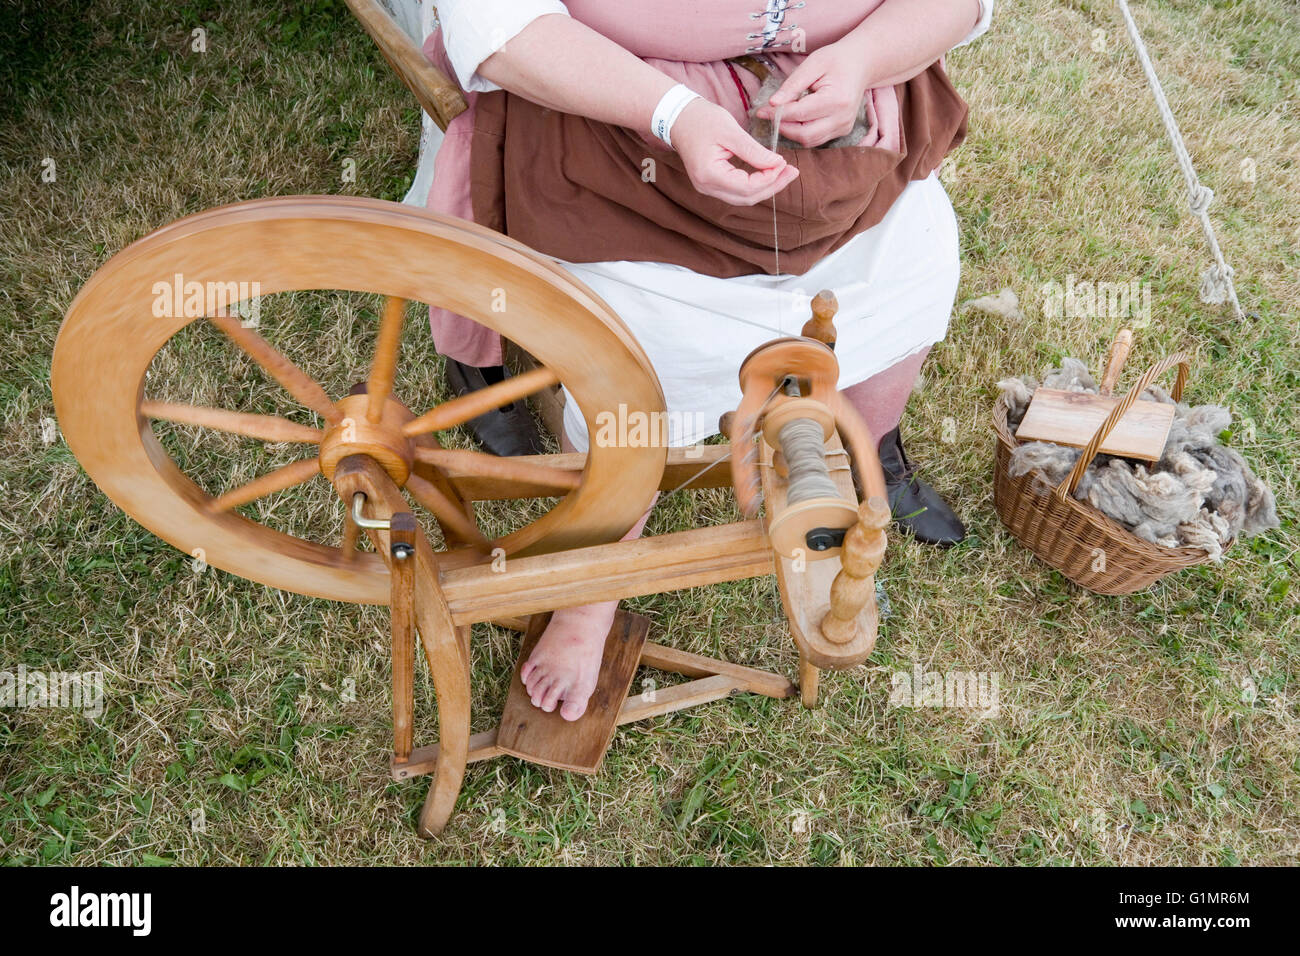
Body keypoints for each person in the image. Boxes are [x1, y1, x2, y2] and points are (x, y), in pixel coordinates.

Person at [422, 0, 994, 720]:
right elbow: (494, 21)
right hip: (616, 125)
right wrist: (674, 114)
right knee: (643, 348)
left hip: (852, 143)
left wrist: (862, 60)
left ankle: (848, 477)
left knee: (915, 263)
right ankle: (594, 592)